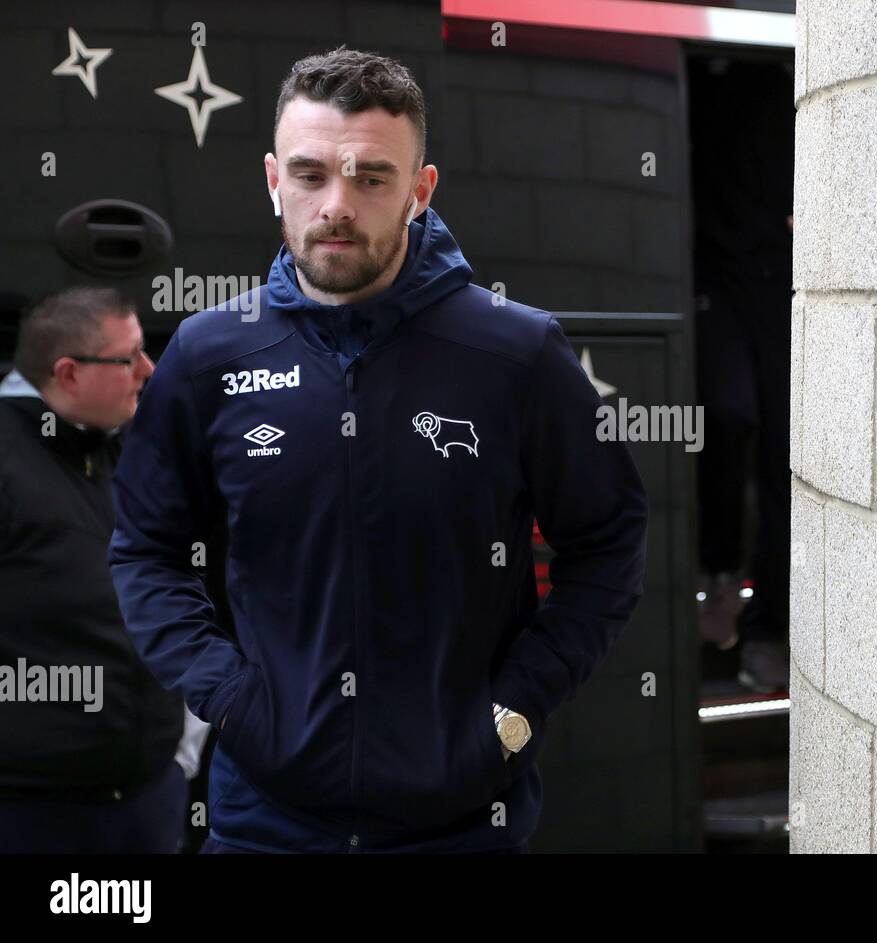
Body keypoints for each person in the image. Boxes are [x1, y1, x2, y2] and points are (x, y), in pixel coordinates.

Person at [108, 47, 648, 854]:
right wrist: (233, 701)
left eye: (371, 178)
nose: (336, 204)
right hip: (263, 822)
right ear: (272, 180)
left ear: (419, 190)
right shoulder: (208, 354)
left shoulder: (517, 353)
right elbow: (146, 550)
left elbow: (609, 544)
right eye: (311, 173)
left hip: (462, 824)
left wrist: (512, 714)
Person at [0, 286, 205, 853]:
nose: (149, 369)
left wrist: (176, 758)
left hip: (146, 797)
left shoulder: (128, 454)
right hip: (33, 812)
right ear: (67, 374)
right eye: (129, 357)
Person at [689, 58, 794, 693]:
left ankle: (764, 629)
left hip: (776, 275)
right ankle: (720, 574)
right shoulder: (706, 77)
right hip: (713, 274)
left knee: (786, 456)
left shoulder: (784, 70)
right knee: (727, 414)